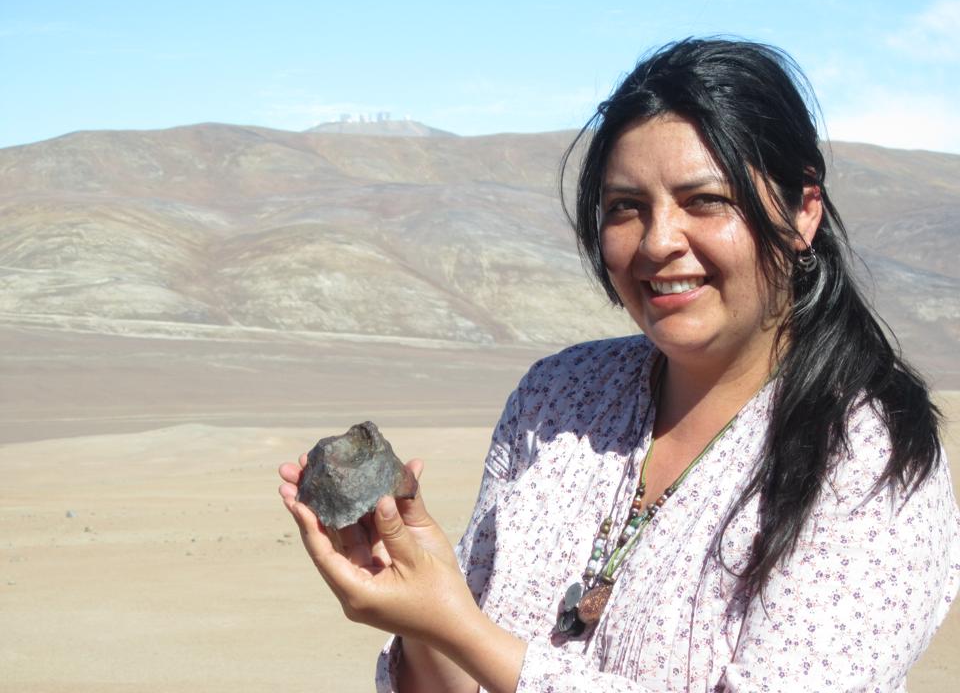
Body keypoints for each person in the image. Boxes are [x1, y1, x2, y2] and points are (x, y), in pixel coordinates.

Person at [277, 38, 960, 692]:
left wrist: (461, 627)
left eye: (706, 201)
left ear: (802, 210)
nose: (659, 242)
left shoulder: (870, 462)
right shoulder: (557, 398)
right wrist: (420, 611)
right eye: (626, 208)